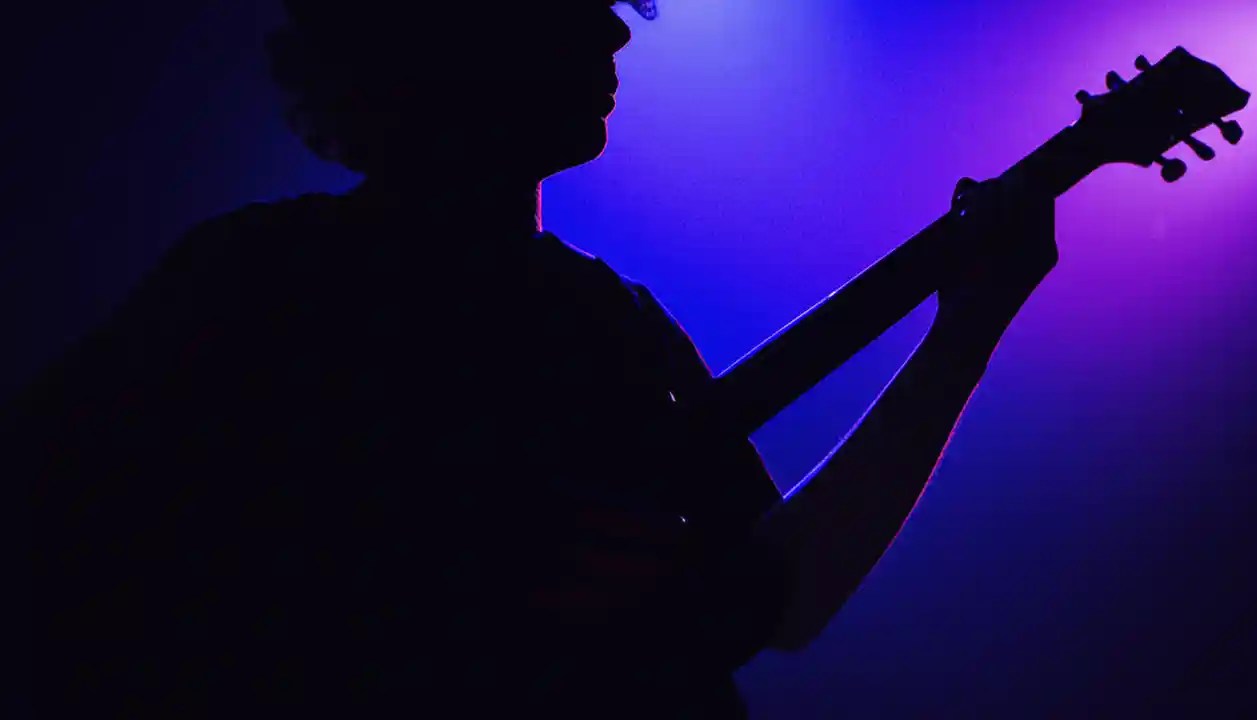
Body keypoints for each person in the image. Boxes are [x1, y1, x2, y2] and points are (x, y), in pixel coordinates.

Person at [13, 1, 1057, 717]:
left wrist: (964, 329)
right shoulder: (261, 277)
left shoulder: (609, 321)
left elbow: (784, 597)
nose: (611, 25)